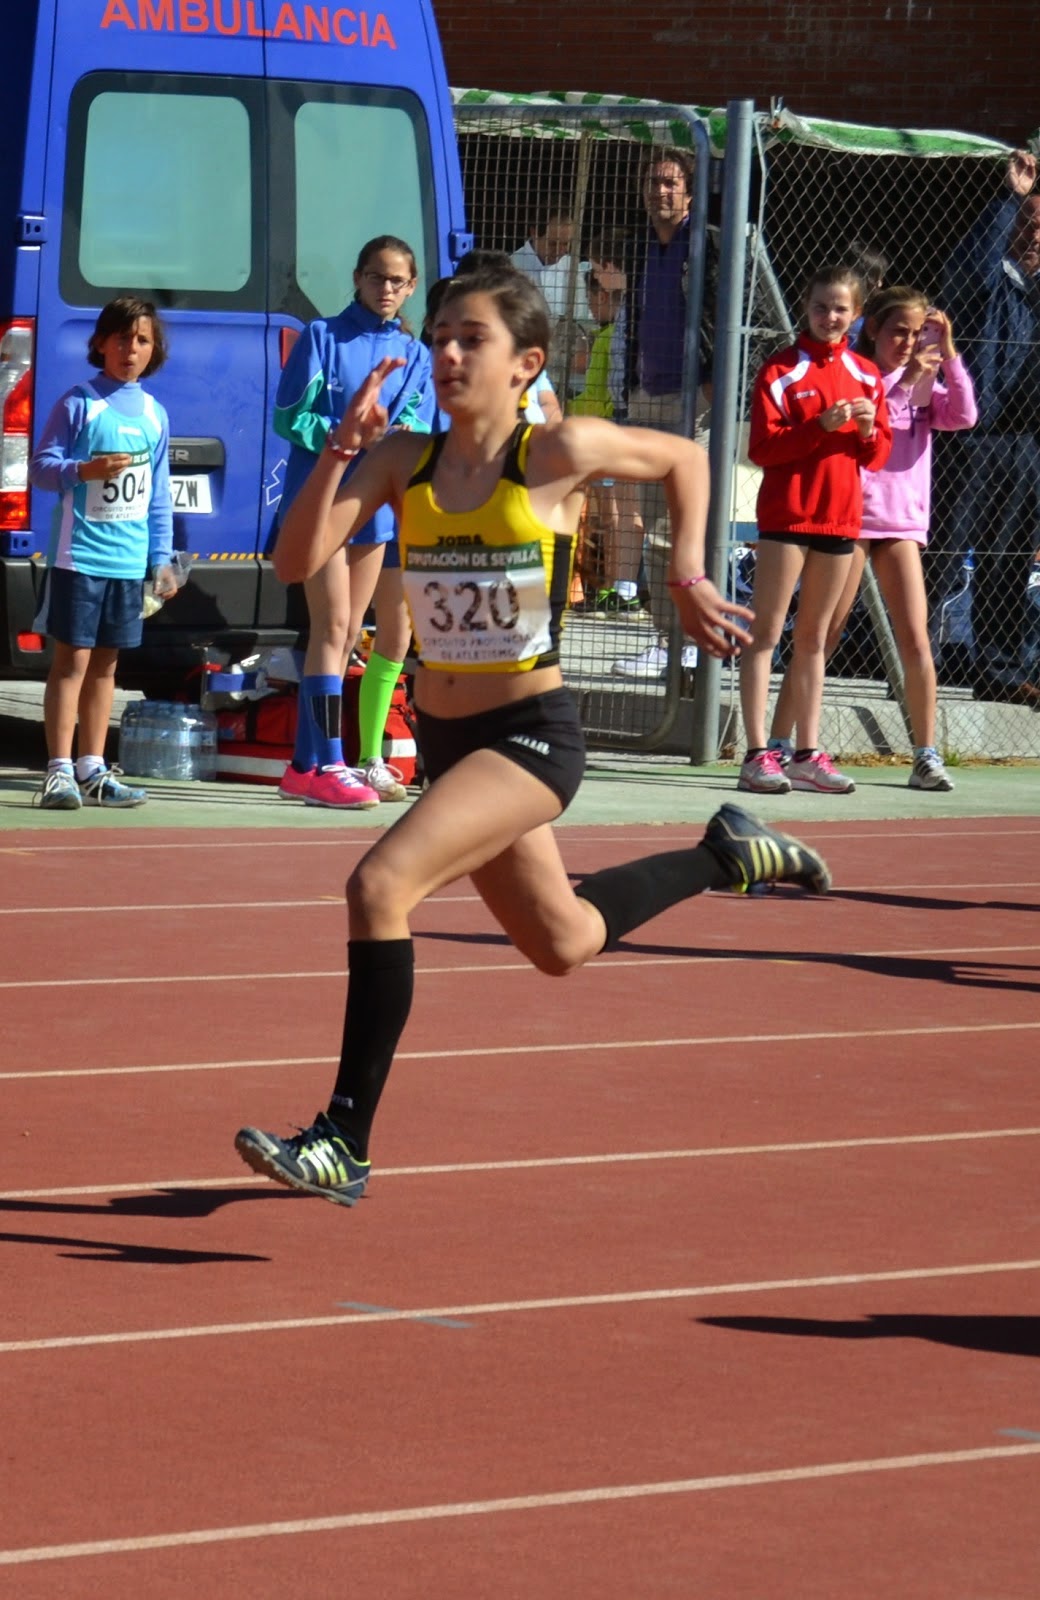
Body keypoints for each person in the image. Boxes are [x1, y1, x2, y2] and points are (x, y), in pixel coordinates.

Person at [233, 262, 832, 1206]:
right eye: (440, 338)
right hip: (444, 742)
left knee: (379, 885)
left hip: (530, 737)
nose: (449, 353)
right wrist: (341, 452)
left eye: (472, 338)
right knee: (566, 941)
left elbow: (686, 459)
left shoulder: (552, 452)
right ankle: (725, 857)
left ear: (527, 364)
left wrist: (685, 575)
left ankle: (344, 1137)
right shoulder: (403, 461)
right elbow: (294, 559)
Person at [768, 288, 977, 791]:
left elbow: (965, 415)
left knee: (916, 637)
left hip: (900, 525)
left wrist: (949, 355)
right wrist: (906, 380)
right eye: (897, 332)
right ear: (874, 333)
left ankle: (925, 755)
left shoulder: (925, 379)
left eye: (916, 333)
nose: (907, 342)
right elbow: (876, 405)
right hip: (850, 521)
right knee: (822, 634)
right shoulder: (862, 377)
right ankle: (778, 745)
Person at [274, 234, 435, 808]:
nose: (386, 289)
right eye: (376, 278)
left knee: (347, 636)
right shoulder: (321, 336)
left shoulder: (417, 356)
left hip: (376, 510)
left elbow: (414, 426)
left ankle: (304, 766)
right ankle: (331, 765)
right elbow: (291, 418)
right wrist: (348, 438)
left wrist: (383, 445)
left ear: (411, 287)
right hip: (320, 501)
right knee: (334, 626)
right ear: (357, 278)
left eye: (397, 281)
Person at [737, 264, 892, 796]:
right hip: (787, 517)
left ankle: (807, 752)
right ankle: (757, 752)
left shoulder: (867, 374)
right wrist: (817, 427)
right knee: (766, 633)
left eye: (841, 309)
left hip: (840, 518)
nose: (830, 317)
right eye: (822, 306)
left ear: (856, 313)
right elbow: (762, 448)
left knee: (814, 640)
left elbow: (877, 455)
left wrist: (868, 428)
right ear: (807, 306)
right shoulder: (781, 370)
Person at [29, 295, 177, 810]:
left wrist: (162, 558)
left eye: (141, 340)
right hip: (80, 559)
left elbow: (159, 494)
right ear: (100, 343)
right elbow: (42, 468)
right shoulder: (79, 403)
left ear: (153, 349)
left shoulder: (156, 414)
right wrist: (83, 471)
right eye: (120, 338)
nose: (129, 349)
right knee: (71, 662)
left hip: (127, 564)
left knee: (107, 667)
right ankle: (58, 770)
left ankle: (93, 767)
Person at [933, 148, 1040, 703]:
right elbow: (970, 270)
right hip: (970, 439)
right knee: (943, 554)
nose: (1035, 237)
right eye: (1028, 225)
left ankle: (1000, 671)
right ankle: (915, 661)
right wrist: (1009, 200)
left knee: (1010, 558)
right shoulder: (988, 280)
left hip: (1026, 444)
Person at [610, 147, 713, 681]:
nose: (661, 191)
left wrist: (713, 389)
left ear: (689, 192)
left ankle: (690, 643)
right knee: (652, 523)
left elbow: (726, 314)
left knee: (683, 525)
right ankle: (664, 640)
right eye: (653, 182)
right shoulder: (639, 246)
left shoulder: (707, 245)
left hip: (692, 399)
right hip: (647, 394)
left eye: (671, 183)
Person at [510, 202, 593, 328]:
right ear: (534, 232)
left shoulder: (574, 268)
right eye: (553, 244)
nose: (560, 251)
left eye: (565, 244)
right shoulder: (511, 269)